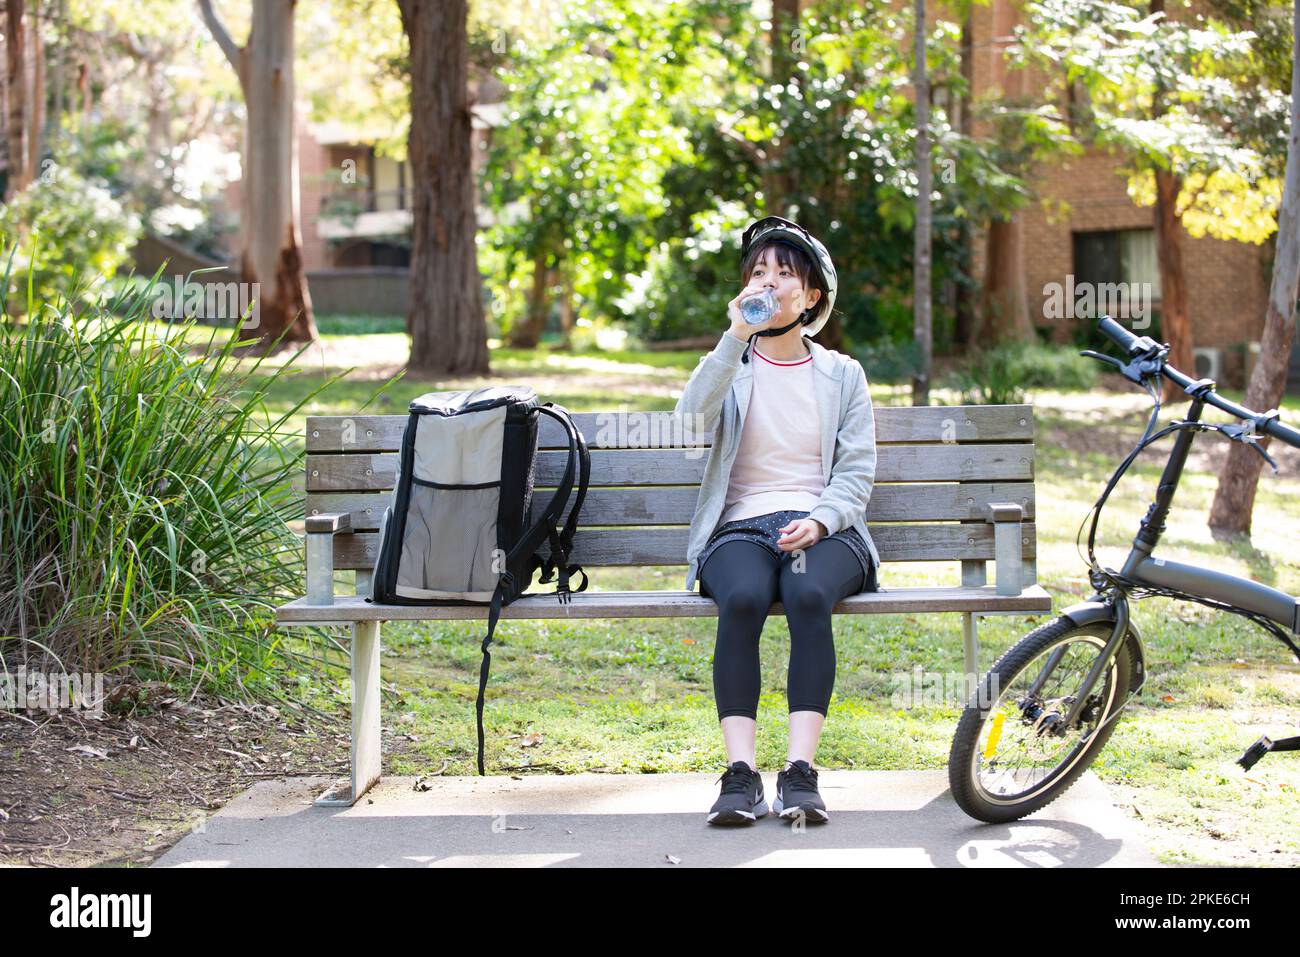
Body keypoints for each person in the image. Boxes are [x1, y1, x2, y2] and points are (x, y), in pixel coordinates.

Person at [672, 216, 881, 826]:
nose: (767, 282)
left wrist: (819, 521)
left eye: (784, 274)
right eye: (757, 272)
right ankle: (740, 777)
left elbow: (856, 473)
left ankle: (799, 773)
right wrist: (732, 338)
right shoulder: (731, 365)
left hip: (826, 529)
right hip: (741, 527)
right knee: (742, 597)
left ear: (811, 296)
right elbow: (686, 425)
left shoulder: (843, 375)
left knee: (807, 590)